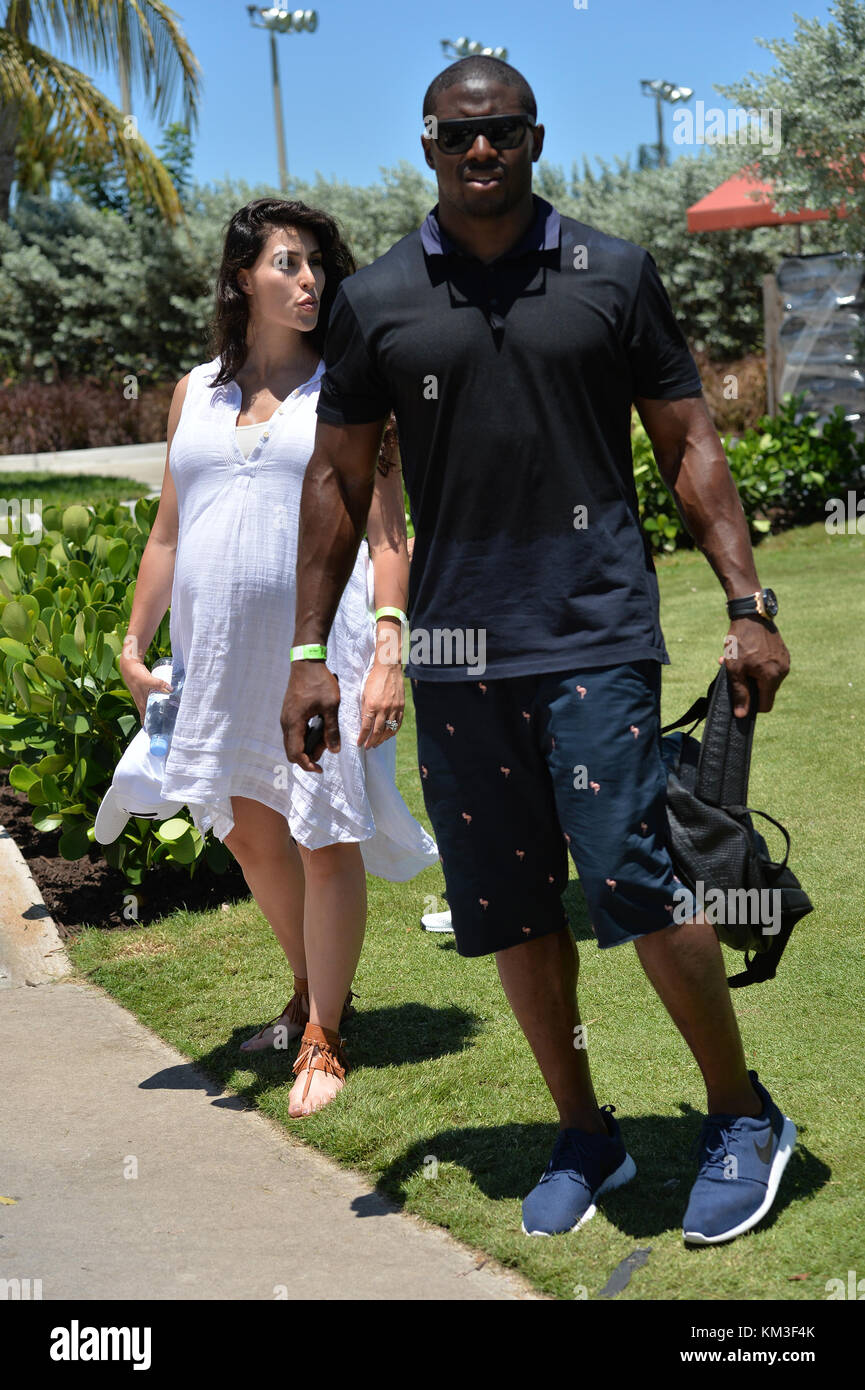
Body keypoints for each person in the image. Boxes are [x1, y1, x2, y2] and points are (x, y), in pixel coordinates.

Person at [280, 56, 797, 1246]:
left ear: (534, 137)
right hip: (459, 652)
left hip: (592, 630)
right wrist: (313, 647)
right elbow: (337, 475)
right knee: (508, 909)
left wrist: (749, 600)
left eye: (503, 131)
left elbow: (688, 442)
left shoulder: (610, 272)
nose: (482, 151)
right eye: (460, 135)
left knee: (633, 875)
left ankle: (737, 1112)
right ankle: (584, 1130)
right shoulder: (378, 298)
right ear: (426, 146)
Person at [119, 198, 437, 1118]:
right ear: (240, 278)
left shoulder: (351, 386)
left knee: (322, 830)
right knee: (250, 832)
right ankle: (309, 992)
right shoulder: (194, 392)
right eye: (288, 264)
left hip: (316, 649)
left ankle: (325, 1036)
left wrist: (387, 647)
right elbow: (169, 531)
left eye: (318, 267)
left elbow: (388, 533)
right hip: (216, 651)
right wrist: (136, 637)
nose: (309, 282)